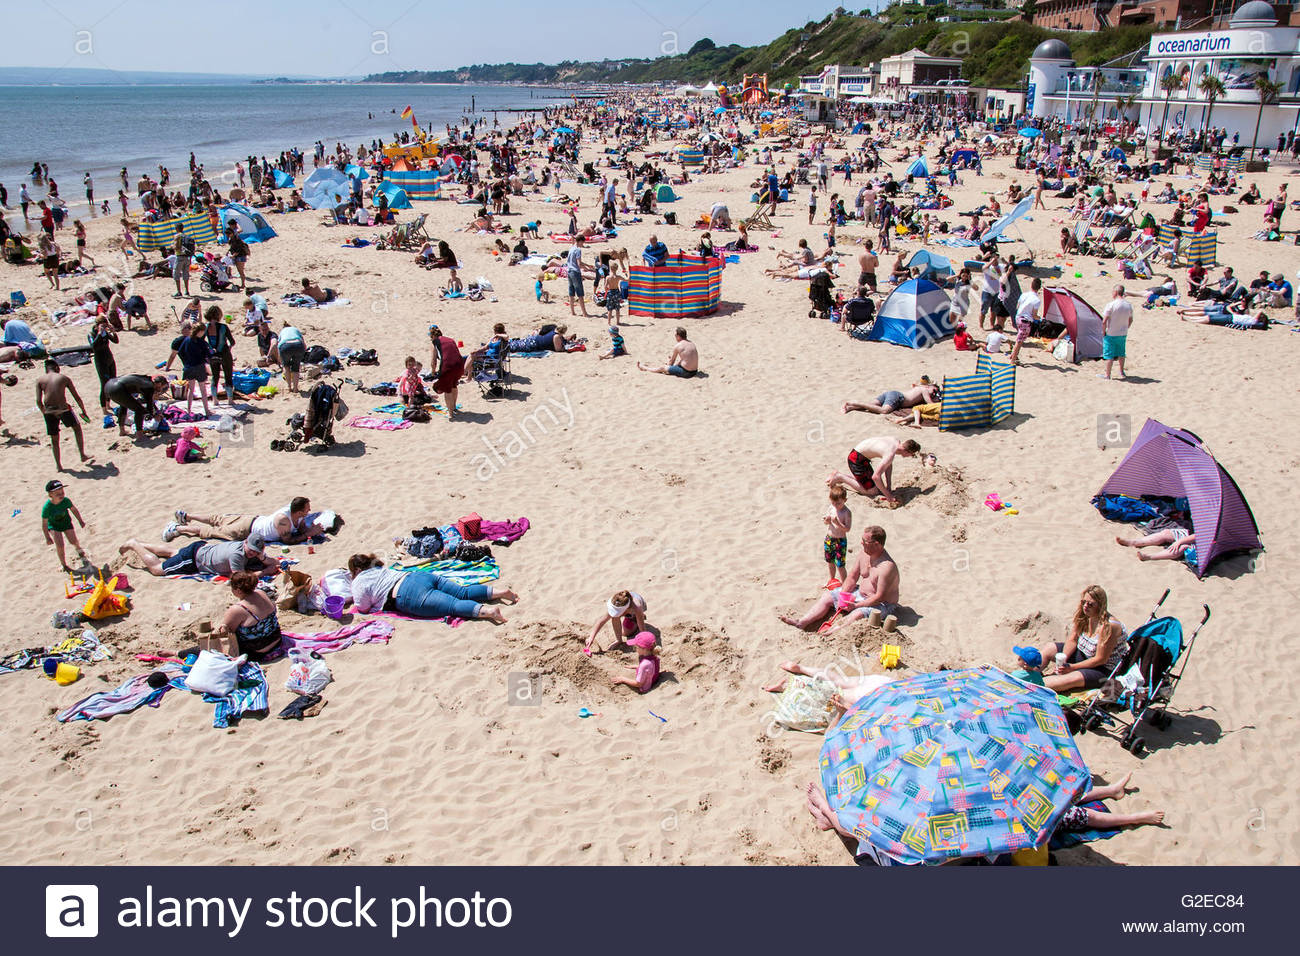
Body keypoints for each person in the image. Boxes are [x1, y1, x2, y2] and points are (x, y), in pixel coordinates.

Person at [779, 525, 899, 632]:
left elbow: (880, 596)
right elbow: (852, 576)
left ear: (877, 544)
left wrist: (857, 606)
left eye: (864, 541)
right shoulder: (864, 554)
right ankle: (801, 622)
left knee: (857, 614)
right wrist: (843, 594)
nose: (861, 543)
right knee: (828, 596)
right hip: (859, 593)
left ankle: (833, 632)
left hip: (881, 604)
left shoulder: (886, 567)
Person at [347, 553, 515, 623]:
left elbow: (363, 607)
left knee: (453, 606)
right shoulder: (379, 568)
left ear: (357, 570)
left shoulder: (358, 582)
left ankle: (490, 612)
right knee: (462, 592)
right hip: (417, 576)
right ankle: (501, 592)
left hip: (407, 594)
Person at [1037, 585, 1128, 692]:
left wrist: (1072, 667)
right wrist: (1063, 659)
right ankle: (1031, 673)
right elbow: (1073, 639)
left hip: (1102, 668)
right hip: (1084, 655)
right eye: (1083, 602)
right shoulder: (1084, 614)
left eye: (1090, 604)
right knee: (1049, 648)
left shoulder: (1109, 626)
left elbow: (1100, 659)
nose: (1085, 606)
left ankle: (1038, 685)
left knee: (1070, 679)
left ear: (1100, 605)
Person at [168, 497, 324, 544]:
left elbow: (302, 528)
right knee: (212, 531)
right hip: (245, 530)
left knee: (218, 519)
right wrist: (309, 533)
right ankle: (178, 528)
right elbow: (288, 540)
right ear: (298, 511)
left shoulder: (297, 515)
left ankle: (187, 516)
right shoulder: (283, 520)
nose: (309, 511)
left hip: (252, 520)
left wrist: (311, 530)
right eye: (307, 509)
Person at [119, 533, 274, 578]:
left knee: (172, 553)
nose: (252, 553)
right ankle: (134, 544)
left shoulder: (247, 548)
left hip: (201, 548)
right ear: (246, 542)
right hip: (194, 560)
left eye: (256, 551)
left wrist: (263, 558)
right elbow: (239, 579)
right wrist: (266, 571)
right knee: (157, 569)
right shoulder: (237, 555)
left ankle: (141, 544)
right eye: (251, 549)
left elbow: (273, 562)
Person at [209, 571, 282, 661]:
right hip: (277, 641)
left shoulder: (238, 609)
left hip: (258, 651)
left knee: (201, 649)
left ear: (238, 590)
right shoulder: (261, 593)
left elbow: (225, 632)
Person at [826, 436, 920, 506]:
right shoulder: (890, 454)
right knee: (872, 492)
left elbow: (888, 465)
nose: (910, 456)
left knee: (875, 486)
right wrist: (889, 496)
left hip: (862, 457)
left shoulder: (895, 441)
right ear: (907, 451)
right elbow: (876, 477)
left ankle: (839, 475)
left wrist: (889, 486)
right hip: (855, 459)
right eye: (911, 454)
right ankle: (840, 477)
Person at [35, 360, 91, 471]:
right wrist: (83, 410)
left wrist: (44, 412)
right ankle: (82, 455)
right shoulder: (64, 378)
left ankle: (59, 466)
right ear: (56, 367)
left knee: (54, 439)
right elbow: (76, 397)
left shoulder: (40, 380)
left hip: (49, 411)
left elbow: (38, 401)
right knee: (77, 428)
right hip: (63, 409)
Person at [42, 479, 87, 572]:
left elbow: (73, 509)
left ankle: (78, 548)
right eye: (57, 494)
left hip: (66, 523)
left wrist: (80, 520)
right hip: (54, 526)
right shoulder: (47, 507)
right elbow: (44, 523)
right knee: (60, 545)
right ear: (50, 495)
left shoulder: (66, 501)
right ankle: (64, 564)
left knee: (73, 540)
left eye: (62, 492)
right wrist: (47, 537)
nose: (61, 495)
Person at [585, 589, 648, 654]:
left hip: (634, 612)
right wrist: (591, 638)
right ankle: (619, 640)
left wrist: (643, 642)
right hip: (627, 606)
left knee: (628, 632)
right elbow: (601, 621)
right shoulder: (616, 603)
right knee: (615, 618)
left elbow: (642, 629)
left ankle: (637, 617)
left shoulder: (637, 607)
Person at [104, 374, 168, 436]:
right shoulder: (149, 386)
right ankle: (139, 434)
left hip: (108, 386)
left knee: (124, 405)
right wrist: (155, 416)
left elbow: (150, 402)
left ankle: (122, 431)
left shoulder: (145, 379)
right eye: (161, 388)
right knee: (139, 410)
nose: (160, 390)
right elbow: (149, 406)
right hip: (117, 389)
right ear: (159, 384)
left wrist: (155, 411)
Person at [171, 322, 213, 417]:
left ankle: (189, 409)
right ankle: (206, 410)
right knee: (202, 389)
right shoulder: (201, 342)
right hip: (199, 366)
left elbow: (180, 352)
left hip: (188, 367)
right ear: (200, 331)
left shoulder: (186, 339)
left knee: (191, 388)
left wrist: (186, 362)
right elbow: (208, 354)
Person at [842, 378, 938, 415]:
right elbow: (930, 404)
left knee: (872, 405)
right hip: (898, 397)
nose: (933, 393)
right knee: (884, 411)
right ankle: (855, 402)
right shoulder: (924, 389)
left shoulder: (919, 388)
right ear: (929, 386)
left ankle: (851, 407)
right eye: (934, 390)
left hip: (892, 394)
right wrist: (938, 402)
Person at [429, 325, 466, 419]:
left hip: (448, 367)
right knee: (454, 385)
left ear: (432, 336)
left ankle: (450, 413)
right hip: (460, 365)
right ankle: (453, 407)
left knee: (447, 389)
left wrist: (433, 372)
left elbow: (433, 362)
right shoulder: (450, 340)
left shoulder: (435, 342)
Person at [204, 306, 235, 405]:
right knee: (228, 375)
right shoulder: (223, 327)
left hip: (213, 354)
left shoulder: (206, 327)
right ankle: (230, 399)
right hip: (224, 353)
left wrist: (210, 348)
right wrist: (229, 347)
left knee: (215, 376)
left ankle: (215, 399)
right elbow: (232, 341)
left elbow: (202, 341)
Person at [1101, 284, 1133, 380]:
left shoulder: (1111, 305)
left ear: (1115, 292)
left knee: (1109, 355)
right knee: (1121, 353)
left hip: (1111, 333)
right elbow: (1131, 320)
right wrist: (1126, 327)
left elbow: (1104, 321)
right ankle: (1122, 372)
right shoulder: (1128, 305)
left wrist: (1103, 332)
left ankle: (1107, 375)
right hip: (1122, 333)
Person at [822, 485, 852, 589]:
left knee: (840, 565)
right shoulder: (831, 508)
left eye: (838, 503)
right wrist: (827, 520)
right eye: (833, 502)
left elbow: (847, 529)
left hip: (840, 540)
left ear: (845, 500)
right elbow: (826, 523)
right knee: (830, 561)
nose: (835, 505)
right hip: (829, 538)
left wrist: (837, 523)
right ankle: (832, 580)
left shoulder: (846, 512)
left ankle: (845, 585)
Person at [88, 318, 119, 412]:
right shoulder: (92, 334)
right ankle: (104, 408)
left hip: (109, 359)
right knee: (104, 384)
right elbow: (93, 346)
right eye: (103, 326)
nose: (105, 327)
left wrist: (113, 332)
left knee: (112, 381)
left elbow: (115, 341)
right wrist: (99, 334)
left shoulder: (105, 333)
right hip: (101, 361)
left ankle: (108, 404)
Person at [1010, 276, 1042, 366]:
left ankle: (1013, 355)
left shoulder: (1024, 294)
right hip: (1025, 320)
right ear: (1039, 288)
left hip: (1018, 317)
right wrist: (1040, 318)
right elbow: (1034, 315)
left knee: (1020, 339)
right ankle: (1012, 360)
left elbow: (1017, 306)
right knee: (1019, 341)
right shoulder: (1037, 300)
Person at [1115, 529, 1196, 562]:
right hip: (1194, 535)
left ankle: (1150, 557)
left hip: (1202, 544)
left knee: (1182, 547)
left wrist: (1179, 542)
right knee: (1166, 533)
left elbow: (1198, 536)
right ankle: (1133, 542)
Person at [565, 235, 591, 317]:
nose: (583, 244)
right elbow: (579, 264)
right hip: (575, 272)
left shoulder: (572, 248)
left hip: (569, 271)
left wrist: (587, 265)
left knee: (571, 292)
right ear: (580, 241)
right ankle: (584, 313)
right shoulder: (578, 250)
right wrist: (587, 268)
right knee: (580, 293)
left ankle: (572, 311)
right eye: (582, 242)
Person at [277, 322, 305, 393]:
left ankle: (289, 387)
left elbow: (278, 346)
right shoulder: (295, 329)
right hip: (298, 345)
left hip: (285, 346)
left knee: (286, 367)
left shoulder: (282, 332)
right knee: (296, 368)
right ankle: (295, 388)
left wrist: (279, 359)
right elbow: (304, 343)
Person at [226, 225, 249, 291]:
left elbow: (238, 250)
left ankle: (243, 284)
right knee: (240, 271)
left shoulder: (236, 240)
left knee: (240, 271)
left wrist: (233, 255)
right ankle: (243, 284)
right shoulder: (233, 239)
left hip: (240, 256)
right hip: (238, 256)